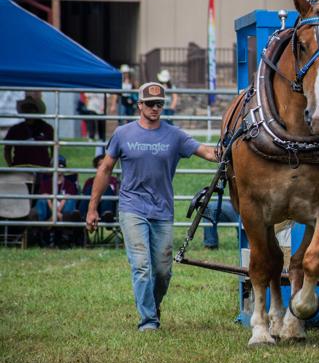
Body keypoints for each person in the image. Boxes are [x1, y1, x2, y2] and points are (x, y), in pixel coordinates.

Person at [85, 82, 217, 332]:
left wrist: (234, 150)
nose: (155, 108)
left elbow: (208, 153)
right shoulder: (123, 134)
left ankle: (153, 306)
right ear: (139, 105)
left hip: (162, 210)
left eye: (159, 104)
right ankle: (148, 321)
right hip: (132, 207)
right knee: (142, 266)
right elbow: (105, 169)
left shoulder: (175, 135)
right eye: (150, 104)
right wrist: (93, 208)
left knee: (163, 271)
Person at [3, 96, 53, 169]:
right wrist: (11, 166)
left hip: (41, 167)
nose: (28, 110)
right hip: (20, 167)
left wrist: (50, 166)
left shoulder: (47, 128)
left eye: (30, 108)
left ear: (37, 110)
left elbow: (54, 148)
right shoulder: (15, 129)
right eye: (25, 108)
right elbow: (7, 148)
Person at [78, 154, 119, 223]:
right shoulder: (89, 181)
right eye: (99, 165)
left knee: (106, 187)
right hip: (92, 207)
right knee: (90, 188)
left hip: (110, 207)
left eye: (104, 165)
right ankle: (82, 215)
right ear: (96, 167)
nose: (102, 167)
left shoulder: (114, 181)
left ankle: (107, 214)